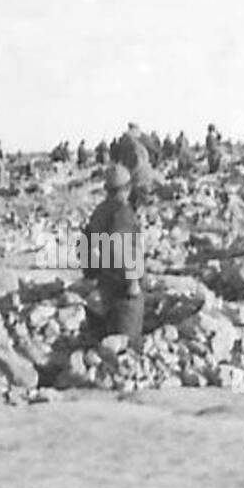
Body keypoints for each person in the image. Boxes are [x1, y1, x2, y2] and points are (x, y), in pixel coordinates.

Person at [81, 163, 144, 351]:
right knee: (126, 342)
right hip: (124, 286)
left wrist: (90, 274)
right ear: (128, 188)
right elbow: (125, 250)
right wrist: (133, 282)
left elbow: (85, 241)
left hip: (106, 281)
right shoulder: (123, 213)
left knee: (108, 331)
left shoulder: (100, 211)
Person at [111, 122, 154, 206]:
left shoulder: (132, 146)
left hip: (137, 177)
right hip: (141, 176)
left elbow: (133, 164)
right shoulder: (138, 144)